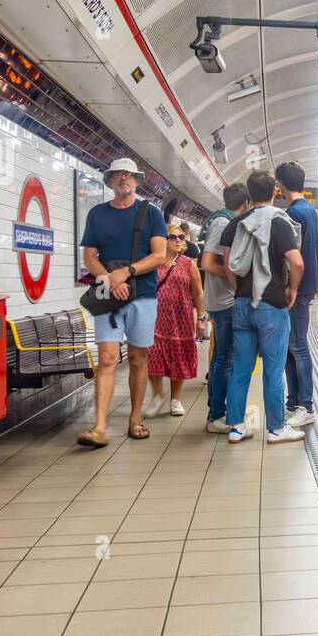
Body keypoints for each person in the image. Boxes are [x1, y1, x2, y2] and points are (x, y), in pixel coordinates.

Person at [77, 158, 167, 446]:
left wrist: (125, 273)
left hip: (143, 294)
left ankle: (135, 418)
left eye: (128, 175)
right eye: (117, 175)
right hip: (106, 292)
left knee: (139, 358)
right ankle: (99, 426)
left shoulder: (151, 213)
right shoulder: (97, 214)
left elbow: (158, 255)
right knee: (106, 358)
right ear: (111, 182)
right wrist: (108, 279)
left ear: (137, 181)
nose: (123, 179)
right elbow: (89, 256)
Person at [219, 170, 305, 445]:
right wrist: (292, 288)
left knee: (241, 369)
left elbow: (227, 264)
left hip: (242, 305)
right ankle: (276, 429)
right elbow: (297, 262)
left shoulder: (235, 224)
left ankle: (236, 427)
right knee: (273, 369)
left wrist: (238, 290)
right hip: (271, 306)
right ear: (274, 192)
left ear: (249, 195)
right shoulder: (279, 222)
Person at [199, 182, 252, 433]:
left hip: (221, 300)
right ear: (246, 204)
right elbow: (207, 262)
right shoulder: (223, 224)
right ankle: (217, 415)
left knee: (221, 357)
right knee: (225, 359)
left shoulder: (224, 220)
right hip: (224, 301)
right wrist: (235, 280)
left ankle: (216, 410)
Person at [276, 162, 318, 428]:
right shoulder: (309, 211)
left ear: (280, 184)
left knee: (298, 346)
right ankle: (294, 403)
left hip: (298, 289)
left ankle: (306, 405)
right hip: (305, 286)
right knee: (292, 348)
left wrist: (290, 287)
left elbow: (294, 257)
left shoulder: (293, 214)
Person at [147, 225, 206, 416]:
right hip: (155, 317)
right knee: (152, 354)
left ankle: (175, 400)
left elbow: (198, 292)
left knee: (178, 357)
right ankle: (157, 394)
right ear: (162, 239)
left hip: (180, 318)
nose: (178, 240)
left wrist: (201, 319)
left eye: (181, 236)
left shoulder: (188, 263)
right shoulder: (153, 261)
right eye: (172, 237)